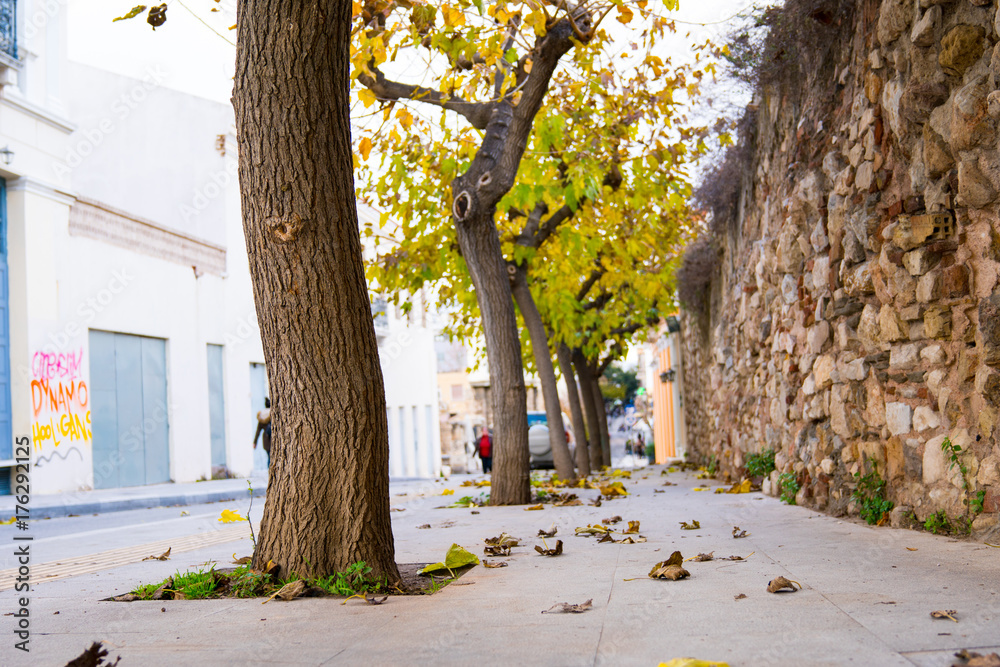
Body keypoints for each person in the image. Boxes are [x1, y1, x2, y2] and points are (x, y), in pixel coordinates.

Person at [253, 397, 272, 466]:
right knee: (271, 456)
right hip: (273, 438)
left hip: (265, 439)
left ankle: (269, 470)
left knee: (269, 456)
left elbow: (258, 431)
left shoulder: (261, 416)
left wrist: (255, 442)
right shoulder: (272, 414)